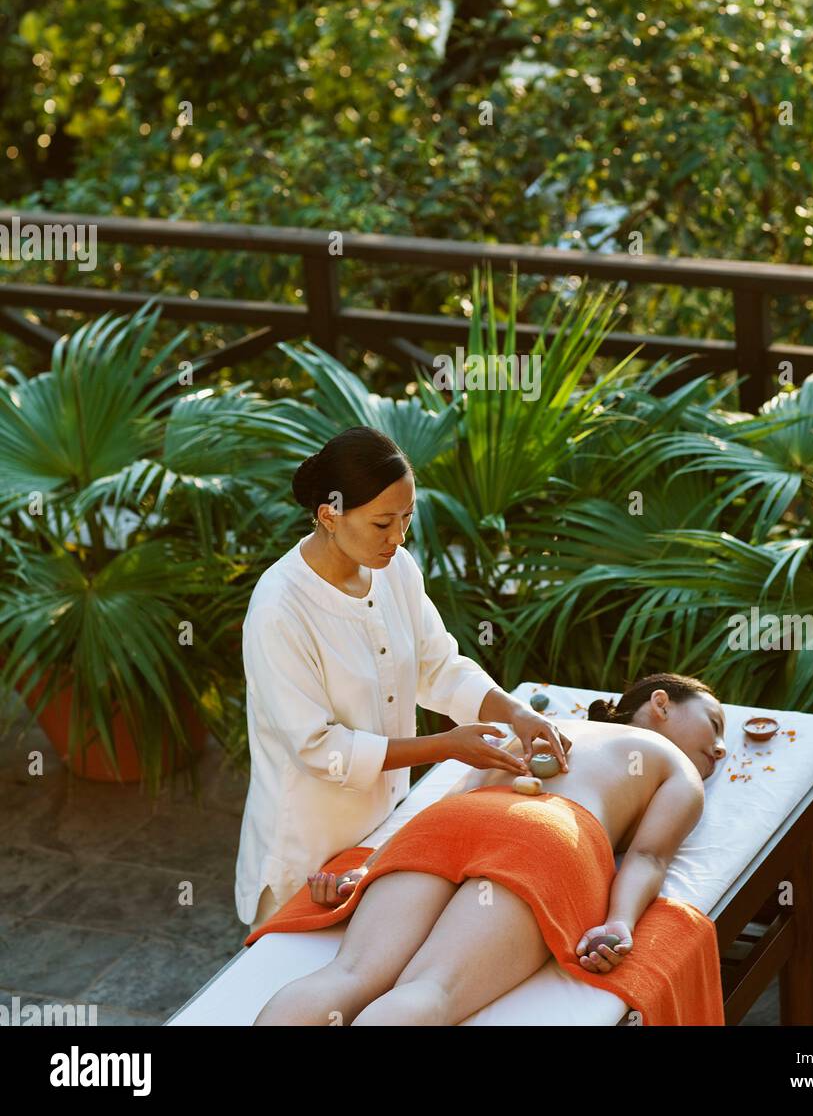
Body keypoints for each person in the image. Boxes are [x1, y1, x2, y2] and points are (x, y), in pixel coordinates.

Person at [234, 425, 571, 932]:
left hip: (387, 823)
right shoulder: (280, 609)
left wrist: (516, 712)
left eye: (407, 519)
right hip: (308, 841)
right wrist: (445, 745)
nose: (399, 538)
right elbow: (319, 748)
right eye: (382, 523)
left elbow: (436, 665)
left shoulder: (394, 568)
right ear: (330, 515)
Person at [253, 672, 727, 1026]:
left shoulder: (542, 725)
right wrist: (618, 921)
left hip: (452, 822)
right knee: (431, 989)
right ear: (660, 703)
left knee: (350, 975)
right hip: (544, 834)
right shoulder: (674, 765)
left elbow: (455, 798)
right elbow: (647, 858)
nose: (722, 747)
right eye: (715, 724)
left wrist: (370, 867)